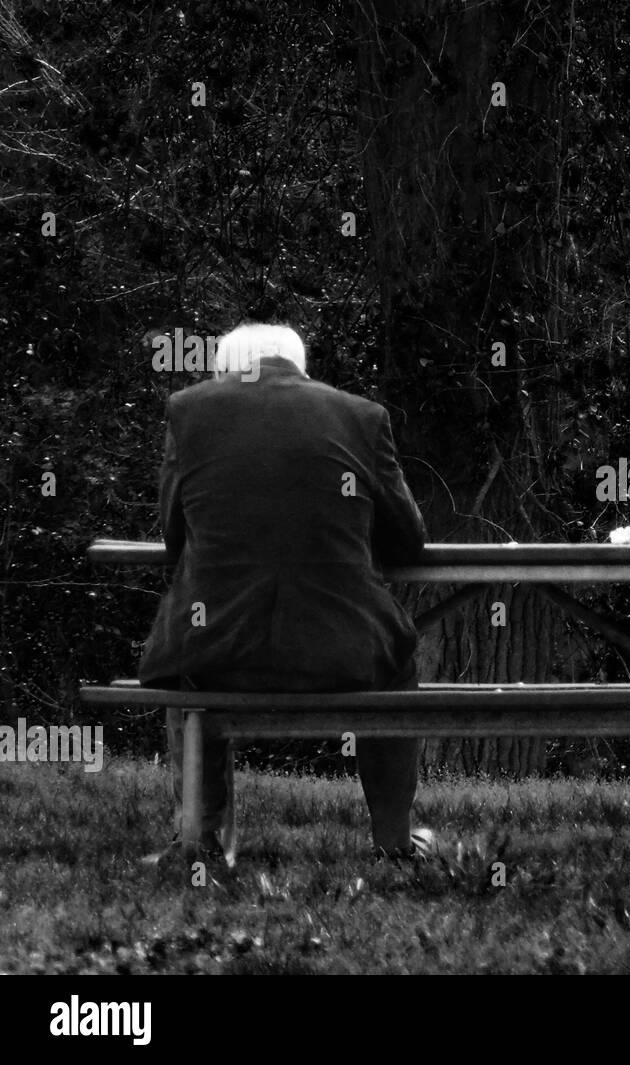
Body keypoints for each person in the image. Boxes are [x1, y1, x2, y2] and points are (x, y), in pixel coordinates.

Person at [138, 323, 430, 863]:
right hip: (341, 655)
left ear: (226, 366)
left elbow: (173, 533)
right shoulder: (362, 417)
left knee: (186, 670)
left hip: (218, 652)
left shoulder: (188, 411)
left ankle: (200, 840)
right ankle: (393, 839)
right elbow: (407, 541)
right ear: (297, 364)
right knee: (397, 662)